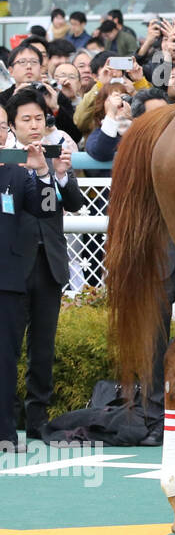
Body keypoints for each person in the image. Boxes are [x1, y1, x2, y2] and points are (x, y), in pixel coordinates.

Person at [5, 87, 87, 444]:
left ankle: (38, 422)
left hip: (50, 264)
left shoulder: (56, 154)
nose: (34, 125)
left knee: (43, 350)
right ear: (13, 125)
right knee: (8, 351)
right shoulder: (6, 160)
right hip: (11, 268)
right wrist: (39, 175)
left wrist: (62, 175)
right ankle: (7, 425)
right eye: (26, 119)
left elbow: (72, 203)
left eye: (39, 118)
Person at [0, 120, 65, 451]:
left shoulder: (15, 174)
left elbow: (47, 208)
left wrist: (41, 173)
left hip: (7, 280)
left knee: (5, 358)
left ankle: (5, 433)